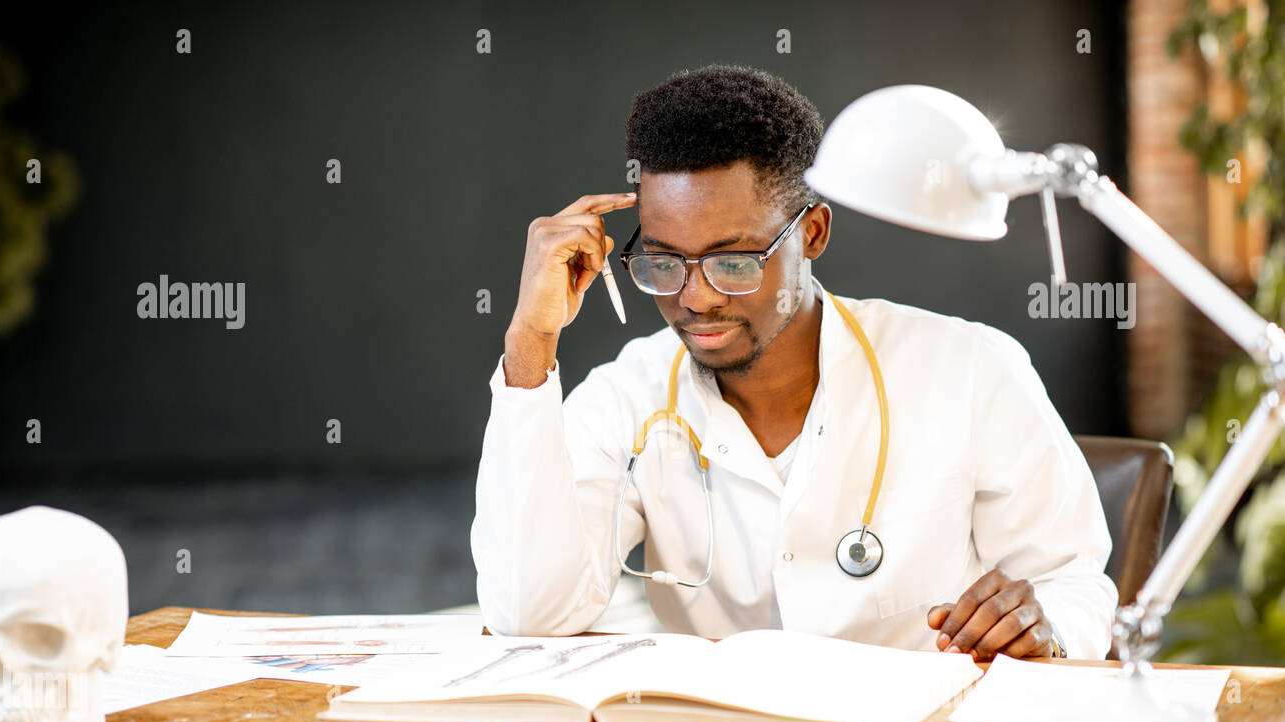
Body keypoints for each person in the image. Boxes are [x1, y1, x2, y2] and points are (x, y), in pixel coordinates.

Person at [470, 64, 1117, 660]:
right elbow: (530, 615)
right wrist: (530, 342)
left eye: (734, 262)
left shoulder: (970, 370)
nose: (696, 297)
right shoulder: (627, 397)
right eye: (663, 262)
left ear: (812, 232)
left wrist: (1047, 627)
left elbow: (1074, 586)